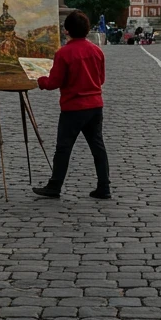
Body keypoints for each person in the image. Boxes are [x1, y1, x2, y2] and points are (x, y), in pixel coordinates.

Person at [33, 10, 111, 200]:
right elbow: (100, 79)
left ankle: (55, 186)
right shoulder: (97, 51)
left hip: (74, 108)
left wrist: (39, 80)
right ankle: (104, 186)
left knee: (64, 148)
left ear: (66, 30)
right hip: (95, 106)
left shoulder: (64, 53)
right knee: (98, 147)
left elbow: (54, 82)